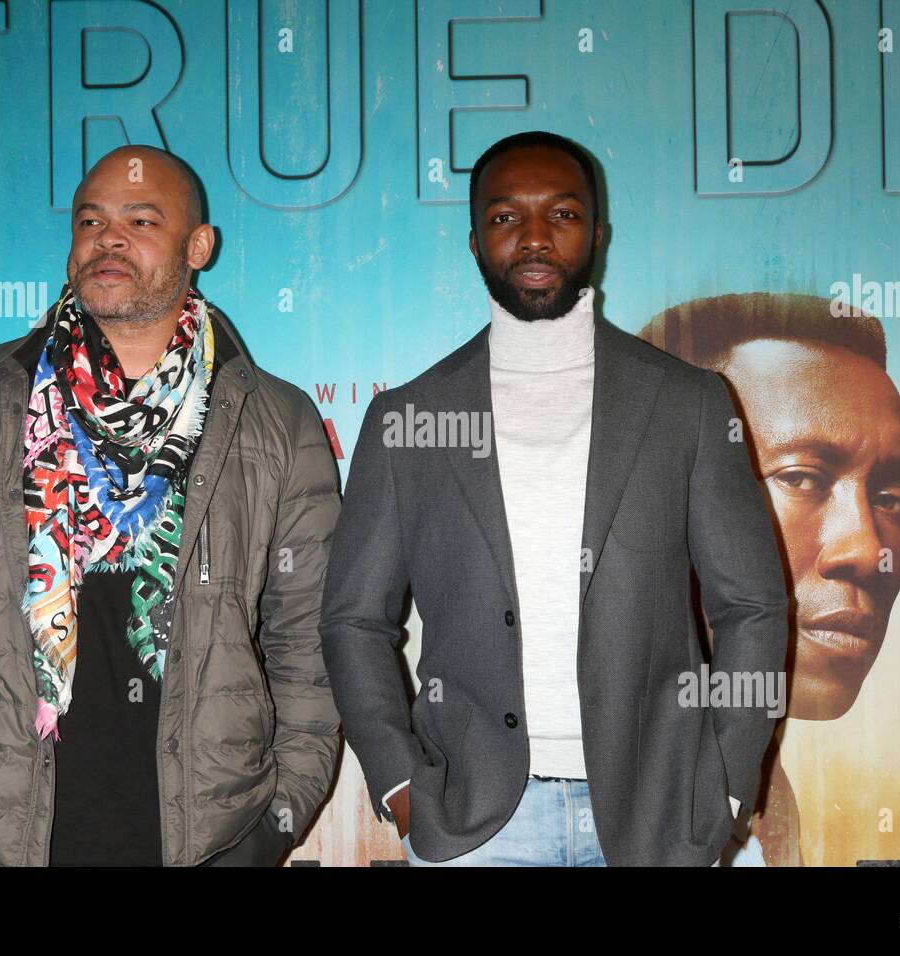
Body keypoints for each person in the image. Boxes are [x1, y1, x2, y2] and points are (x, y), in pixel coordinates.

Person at [319, 131, 789, 866]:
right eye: (506, 218)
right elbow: (352, 619)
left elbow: (752, 606)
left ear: (597, 235)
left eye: (562, 215)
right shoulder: (406, 419)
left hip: (659, 818)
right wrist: (401, 784)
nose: (535, 237)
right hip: (476, 828)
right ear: (475, 241)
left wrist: (726, 781)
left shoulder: (688, 405)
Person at [0, 144, 341, 866]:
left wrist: (274, 817)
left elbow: (310, 633)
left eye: (141, 220)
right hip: (0, 837)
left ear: (199, 246)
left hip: (208, 836)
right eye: (90, 221)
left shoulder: (273, 419)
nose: (108, 239)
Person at [640, 293, 900, 865]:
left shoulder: (765, 796)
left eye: (891, 499)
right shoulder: (558, 784)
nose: (869, 552)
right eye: (799, 477)